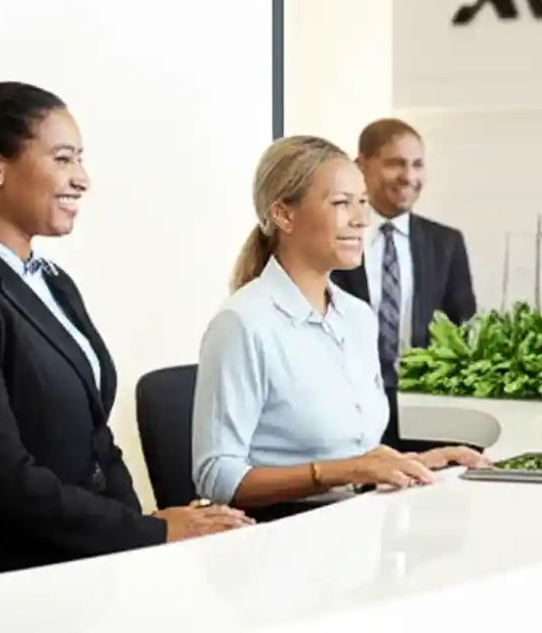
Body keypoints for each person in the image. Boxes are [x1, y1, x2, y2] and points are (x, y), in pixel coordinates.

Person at [0, 82, 250, 582]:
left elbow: (95, 437)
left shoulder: (52, 281)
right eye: (63, 159)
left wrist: (138, 534)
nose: (82, 179)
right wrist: (148, 533)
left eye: (80, 159)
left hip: (84, 559)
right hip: (7, 577)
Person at [192, 135, 485, 523]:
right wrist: (346, 471)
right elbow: (217, 477)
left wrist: (411, 463)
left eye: (362, 202)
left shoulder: (357, 316)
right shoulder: (243, 324)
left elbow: (356, 455)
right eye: (341, 203)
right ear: (284, 215)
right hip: (282, 539)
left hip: (355, 526)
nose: (362, 219)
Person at [331, 118, 477, 447]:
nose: (409, 177)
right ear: (362, 164)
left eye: (417, 165)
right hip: (348, 413)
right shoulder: (337, 239)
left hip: (424, 415)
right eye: (396, 163)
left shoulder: (446, 243)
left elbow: (464, 328)